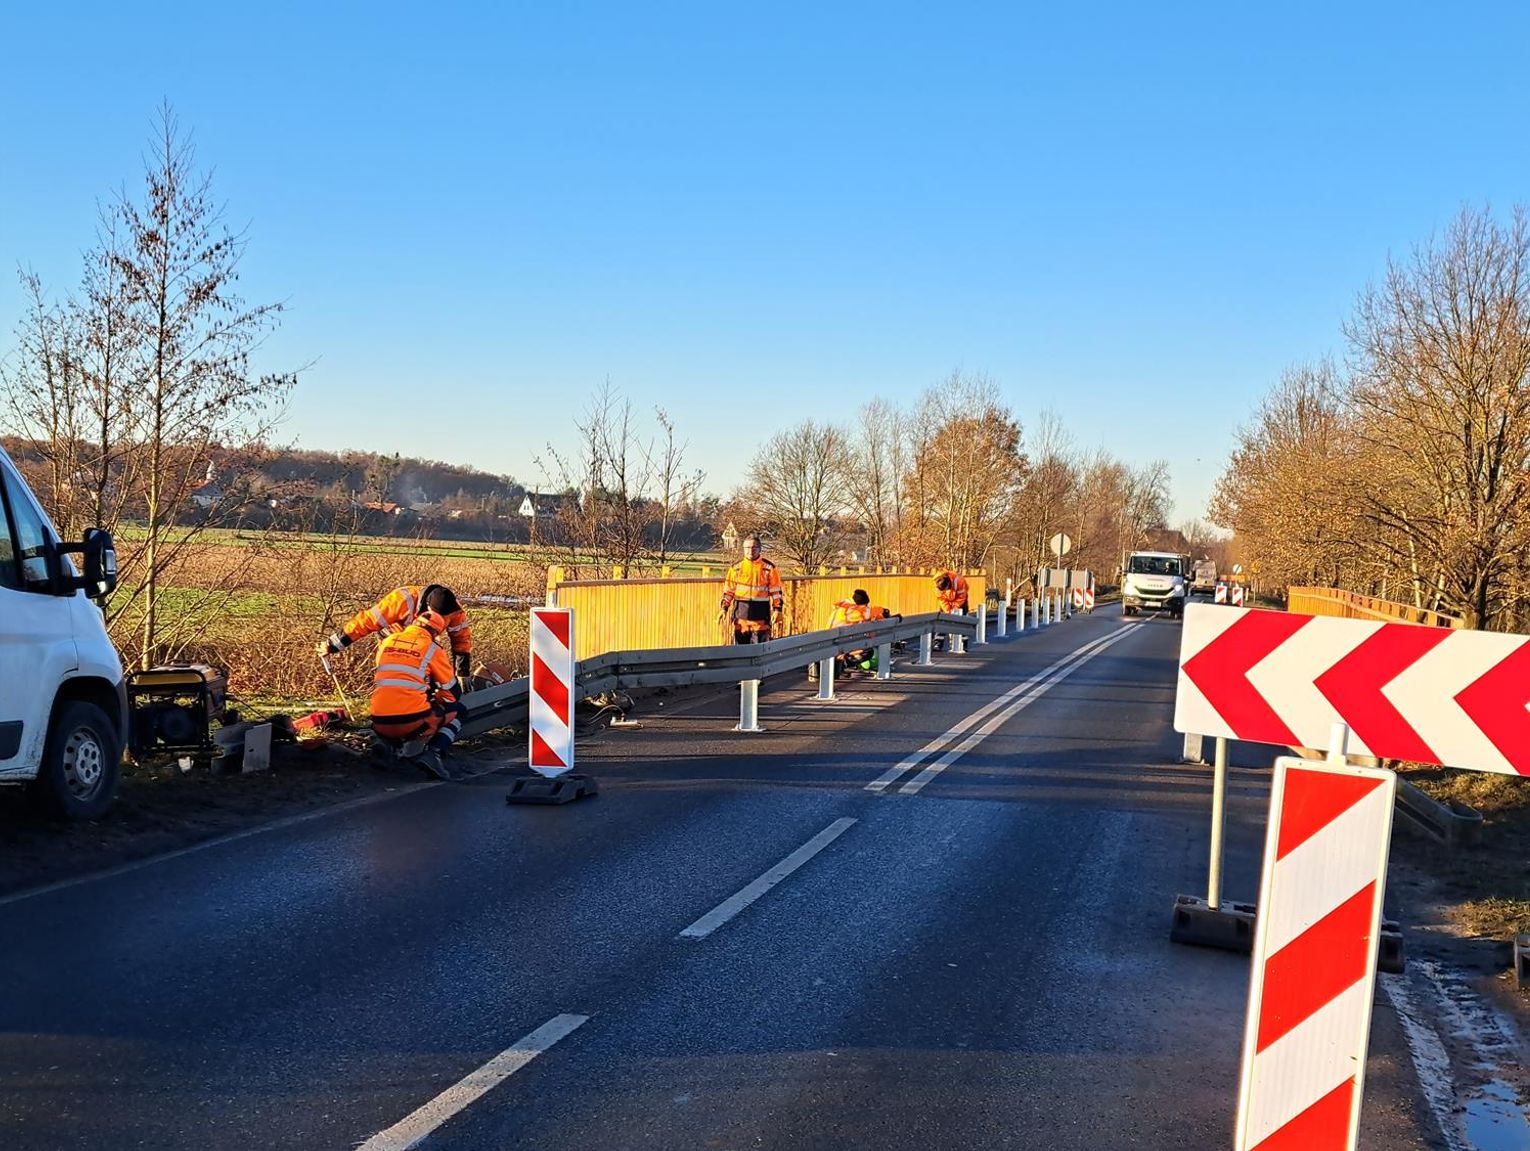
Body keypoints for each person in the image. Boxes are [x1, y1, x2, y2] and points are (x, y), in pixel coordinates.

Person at [368, 609, 466, 780]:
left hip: (379, 721)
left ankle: (385, 744)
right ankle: (433, 753)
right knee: (459, 710)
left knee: (394, 706)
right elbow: (452, 691)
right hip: (413, 723)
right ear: (435, 633)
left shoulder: (388, 641)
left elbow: (394, 678)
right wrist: (437, 696)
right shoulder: (432, 648)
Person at [320, 583, 475, 689]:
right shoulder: (401, 600)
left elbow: (461, 639)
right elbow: (366, 622)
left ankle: (425, 708)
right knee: (397, 679)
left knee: (430, 678)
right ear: (428, 608)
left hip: (425, 643)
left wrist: (462, 672)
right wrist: (333, 644)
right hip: (393, 643)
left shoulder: (454, 610)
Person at [718, 535, 784, 644]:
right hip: (741, 618)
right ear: (743, 549)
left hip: (760, 618)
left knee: (760, 650)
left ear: (760, 549)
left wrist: (778, 610)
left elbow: (776, 591)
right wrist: (724, 608)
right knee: (741, 651)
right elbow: (729, 591)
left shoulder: (768, 568)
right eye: (747, 548)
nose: (750, 550)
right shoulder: (736, 568)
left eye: (754, 547)